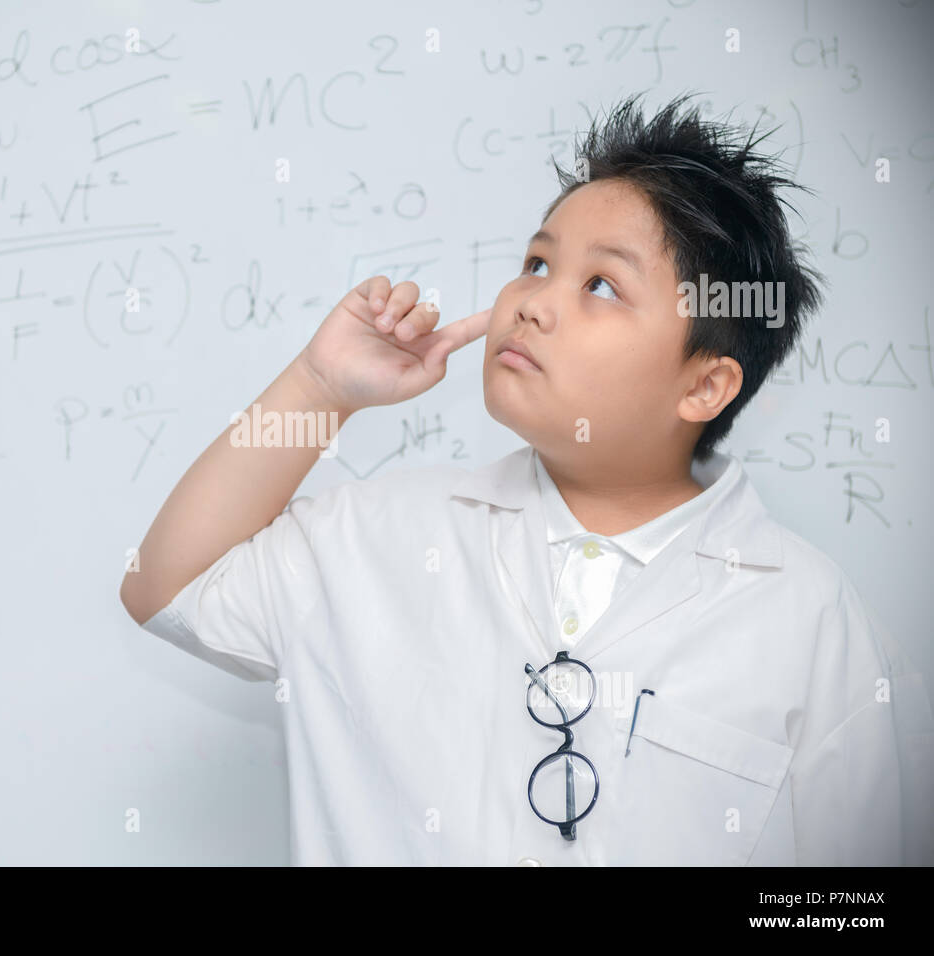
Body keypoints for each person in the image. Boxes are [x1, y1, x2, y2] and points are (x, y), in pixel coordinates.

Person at [118, 92, 934, 866]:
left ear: (704, 386)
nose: (534, 302)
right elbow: (165, 588)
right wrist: (319, 390)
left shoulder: (809, 621)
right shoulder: (382, 536)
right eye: (537, 262)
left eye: (601, 285)